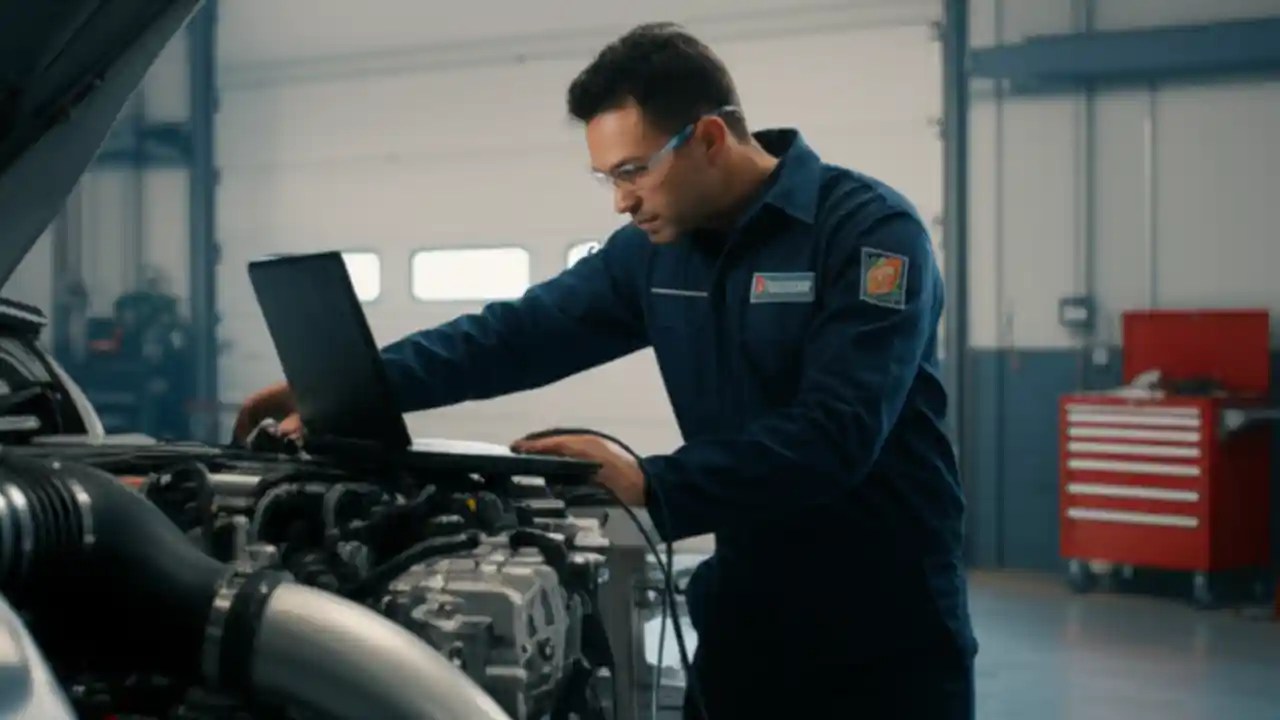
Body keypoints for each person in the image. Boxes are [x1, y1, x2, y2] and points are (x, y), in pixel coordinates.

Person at [234, 22, 976, 719]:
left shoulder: (870, 234)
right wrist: (356, 385)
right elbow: (515, 336)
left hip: (885, 626)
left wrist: (653, 483)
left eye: (632, 172)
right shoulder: (655, 254)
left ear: (709, 137)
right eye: (607, 178)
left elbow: (838, 432)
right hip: (749, 612)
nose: (622, 200)